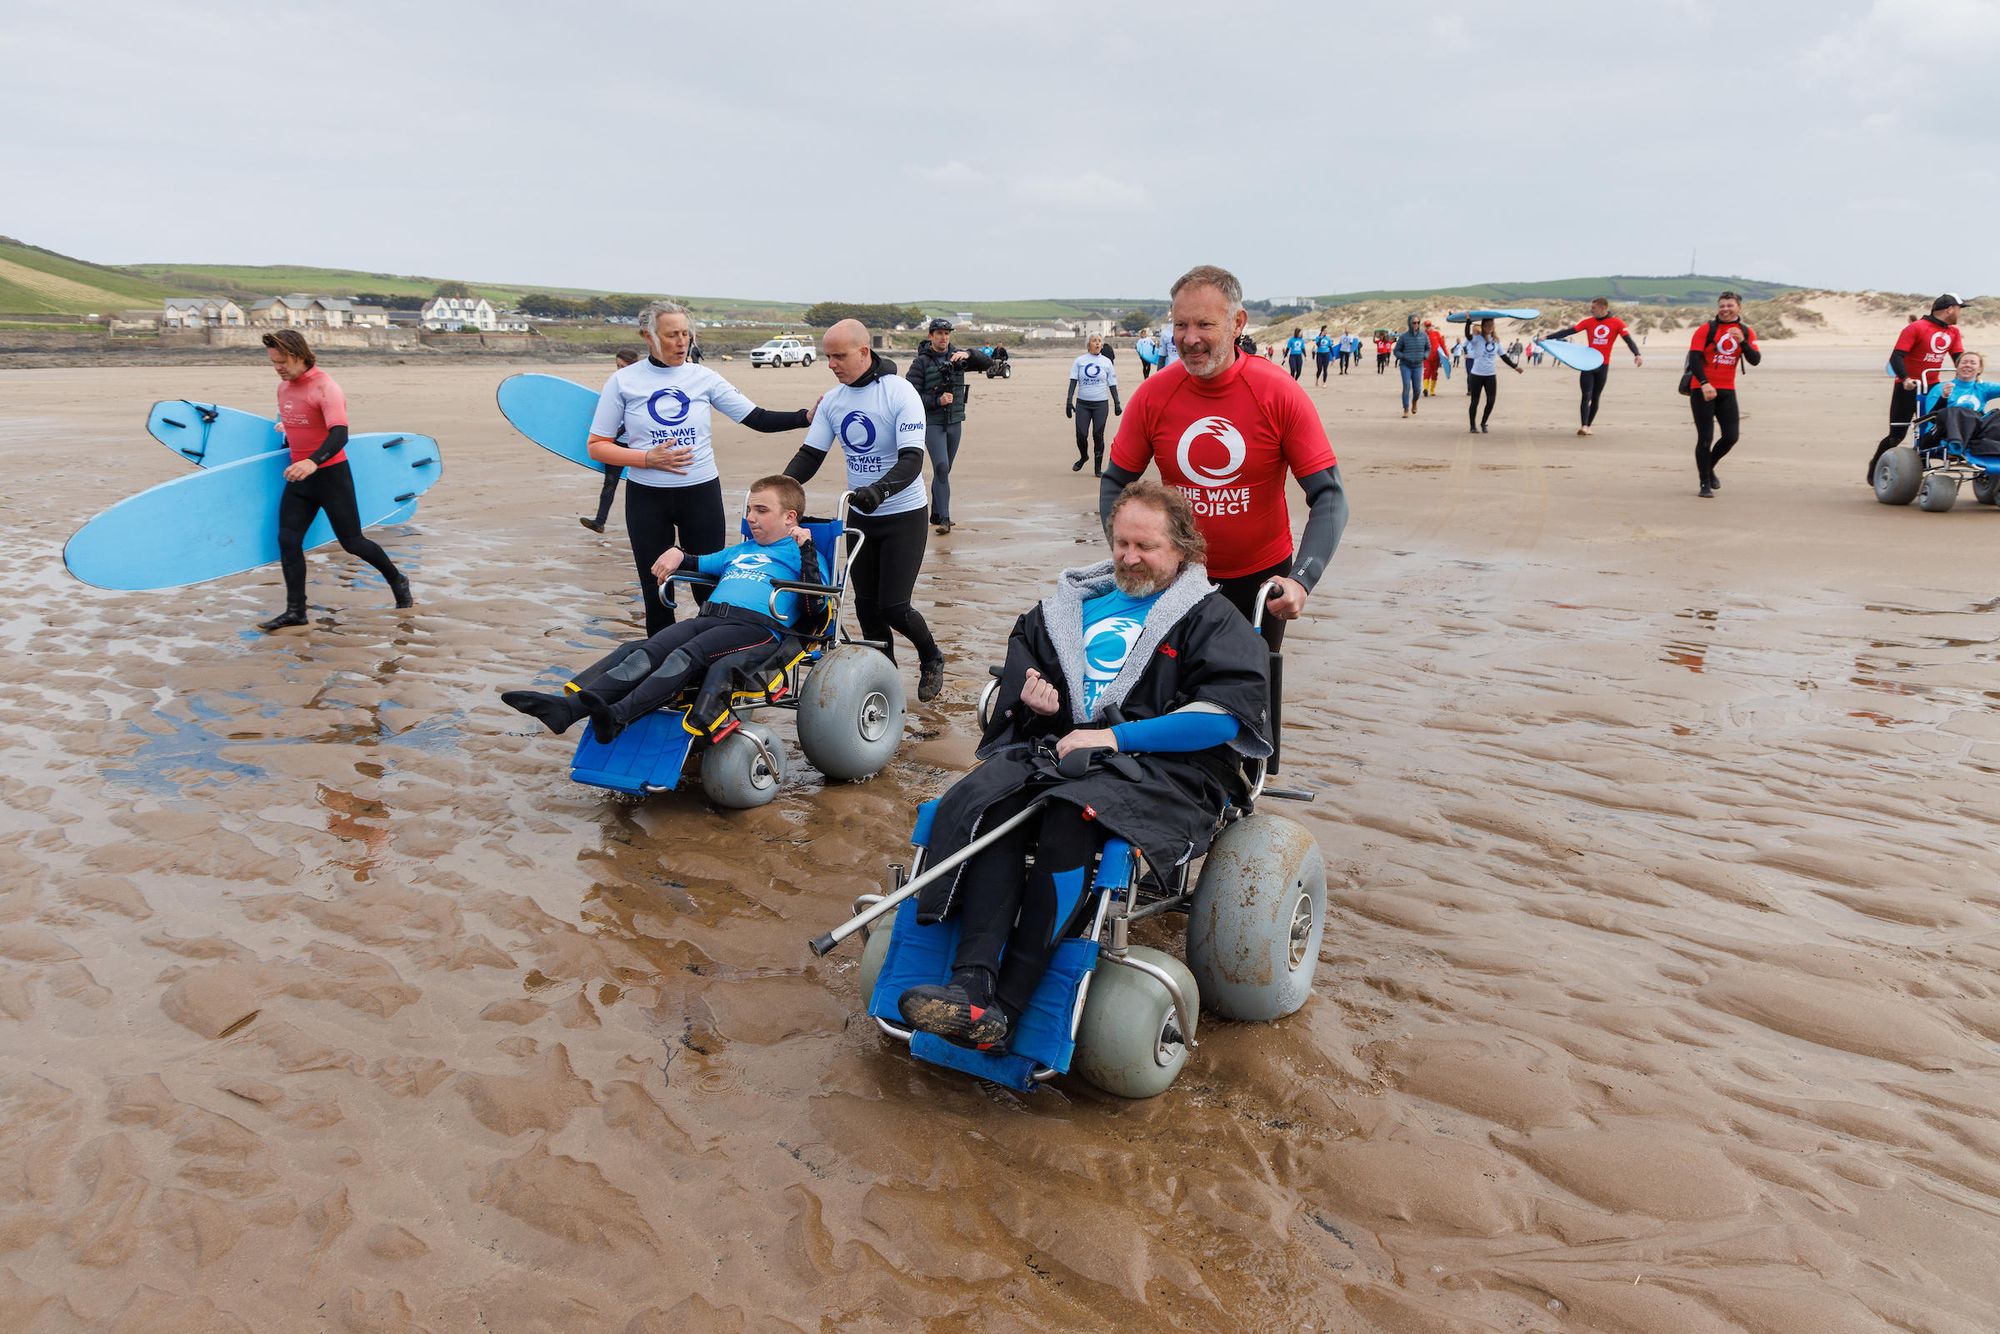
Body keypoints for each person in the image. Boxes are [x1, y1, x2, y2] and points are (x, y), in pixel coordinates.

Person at [895, 482, 1272, 1049]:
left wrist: (1114, 736)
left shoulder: (1212, 619)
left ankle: (1012, 1005)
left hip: (1162, 766)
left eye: (1145, 546)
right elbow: (1021, 666)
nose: (1128, 557)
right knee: (993, 804)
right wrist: (1031, 695)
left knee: (1070, 812)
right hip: (1059, 750)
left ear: (1184, 549)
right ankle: (970, 986)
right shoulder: (1065, 609)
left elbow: (1222, 717)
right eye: (1121, 543)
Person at [1099, 264, 1348, 653]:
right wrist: (1129, 550)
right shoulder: (1154, 395)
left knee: (1250, 699)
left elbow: (1329, 496)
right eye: (1180, 325)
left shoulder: (1277, 393)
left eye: (1204, 325)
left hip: (1260, 581)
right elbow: (1115, 481)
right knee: (1174, 697)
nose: (1190, 339)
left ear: (1237, 323)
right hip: (1177, 577)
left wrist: (1301, 579)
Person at [502, 476, 820, 745]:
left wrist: (806, 549)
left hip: (756, 629)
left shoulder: (800, 554)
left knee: (684, 656)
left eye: (761, 510)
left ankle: (617, 716)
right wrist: (675, 553)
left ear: (790, 517)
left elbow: (814, 607)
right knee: (649, 651)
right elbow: (694, 561)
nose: (750, 517)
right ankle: (567, 710)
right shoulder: (741, 550)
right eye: (749, 509)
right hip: (711, 618)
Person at [587, 301, 808, 636]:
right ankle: (661, 672)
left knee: (710, 588)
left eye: (685, 334)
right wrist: (646, 458)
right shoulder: (623, 381)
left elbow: (757, 418)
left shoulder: (704, 378)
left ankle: (710, 661)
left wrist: (805, 417)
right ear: (648, 336)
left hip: (700, 495)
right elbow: (597, 445)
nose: (681, 342)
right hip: (647, 498)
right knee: (657, 590)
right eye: (672, 335)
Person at [784, 319, 948, 701]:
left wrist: (880, 489)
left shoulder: (899, 393)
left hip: (902, 513)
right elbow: (809, 456)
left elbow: (911, 460)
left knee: (893, 605)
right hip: (860, 516)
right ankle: (884, 678)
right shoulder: (834, 401)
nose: (831, 364)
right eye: (827, 356)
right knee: (866, 608)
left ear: (863, 352)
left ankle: (931, 656)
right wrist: (781, 491)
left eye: (838, 356)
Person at [256, 330, 411, 631]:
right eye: (273, 362)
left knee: (352, 542)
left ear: (299, 355)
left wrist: (312, 461)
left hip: (330, 474)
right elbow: (302, 420)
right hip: (300, 476)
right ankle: (295, 611)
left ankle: (397, 579)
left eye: (282, 361)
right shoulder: (284, 388)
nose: (278, 367)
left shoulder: (326, 387)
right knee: (288, 541)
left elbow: (339, 434)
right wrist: (287, 428)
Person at [906, 318, 994, 536]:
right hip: (933, 423)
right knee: (942, 467)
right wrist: (937, 401)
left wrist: (970, 354)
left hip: (955, 422)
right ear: (930, 336)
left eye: (946, 333)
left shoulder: (958, 357)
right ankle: (944, 519)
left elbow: (988, 363)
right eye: (939, 333)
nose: (943, 337)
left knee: (944, 470)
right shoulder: (921, 363)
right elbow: (910, 396)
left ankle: (936, 513)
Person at [1870, 294, 1967, 483]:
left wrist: (1969, 374)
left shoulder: (1953, 332)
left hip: (1932, 387)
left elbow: (1958, 358)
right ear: (1950, 309)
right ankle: (1876, 466)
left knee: (1930, 428)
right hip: (1908, 387)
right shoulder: (1916, 328)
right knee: (1897, 435)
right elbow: (1896, 357)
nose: (1959, 313)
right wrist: (1905, 378)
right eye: (1959, 309)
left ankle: (1921, 462)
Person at [1684, 291, 1761, 498]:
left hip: (1727, 389)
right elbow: (1694, 359)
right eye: (1722, 306)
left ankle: (1708, 468)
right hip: (1702, 389)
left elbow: (1755, 360)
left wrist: (1743, 342)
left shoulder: (1746, 331)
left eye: (1730, 306)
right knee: (1705, 438)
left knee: (1731, 436)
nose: (1725, 309)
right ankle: (1704, 483)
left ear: (1739, 308)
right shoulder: (1706, 329)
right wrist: (1704, 383)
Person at [1541, 297, 1644, 435]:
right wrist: (1547, 337)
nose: (1591, 310)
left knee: (1596, 397)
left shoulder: (1617, 322)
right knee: (1586, 395)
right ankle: (1584, 426)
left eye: (1594, 308)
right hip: (1588, 364)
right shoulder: (1588, 322)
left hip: (1603, 365)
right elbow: (1569, 331)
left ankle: (1588, 426)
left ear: (1603, 308)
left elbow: (1628, 340)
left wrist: (1637, 354)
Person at [580, 348, 642, 533]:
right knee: (610, 483)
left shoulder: (640, 386)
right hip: (616, 446)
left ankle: (647, 523)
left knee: (641, 486)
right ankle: (599, 521)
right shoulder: (617, 384)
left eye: (622, 366)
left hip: (636, 444)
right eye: (617, 366)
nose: (618, 369)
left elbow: (634, 416)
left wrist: (616, 432)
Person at [1917, 350, 2000, 450]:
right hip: (1940, 434)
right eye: (1964, 362)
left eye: (1973, 363)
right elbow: (1932, 418)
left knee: (1996, 414)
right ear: (1957, 367)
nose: (1968, 365)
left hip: (1973, 433)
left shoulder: (1982, 388)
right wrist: (1943, 397)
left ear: (1979, 369)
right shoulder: (1941, 388)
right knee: (1956, 411)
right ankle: (1956, 443)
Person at [1065, 333, 1123, 474]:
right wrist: (1068, 401)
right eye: (1094, 341)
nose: (1097, 343)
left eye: (1099, 341)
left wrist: (1117, 402)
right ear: (1088, 344)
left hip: (1100, 404)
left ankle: (1097, 468)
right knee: (1081, 434)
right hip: (1083, 404)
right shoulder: (1080, 361)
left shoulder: (1106, 362)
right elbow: (1073, 381)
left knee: (1098, 435)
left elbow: (1112, 383)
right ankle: (1084, 456)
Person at [1463, 317, 1522, 434]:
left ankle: (1483, 423)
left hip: (1490, 375)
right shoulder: (1477, 339)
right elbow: (1467, 335)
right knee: (1475, 401)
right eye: (1487, 325)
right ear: (1483, 326)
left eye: (1492, 325)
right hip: (1476, 374)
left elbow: (1504, 356)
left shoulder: (1496, 341)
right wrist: (1468, 322)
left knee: (1491, 401)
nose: (1490, 327)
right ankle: (1472, 426)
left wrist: (1515, 367)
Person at [1392, 315, 1428, 416]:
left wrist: (1424, 356)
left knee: (1417, 389)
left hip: (1418, 366)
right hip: (1405, 365)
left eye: (1417, 322)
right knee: (1406, 386)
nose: (1416, 324)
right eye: (1414, 323)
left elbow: (1428, 348)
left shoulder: (1423, 336)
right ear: (1410, 323)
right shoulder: (1403, 337)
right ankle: (1406, 408)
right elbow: (1396, 351)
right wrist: (1403, 356)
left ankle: (1414, 402)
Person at [1421, 320, 1447, 397]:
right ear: (1424, 327)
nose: (1428, 327)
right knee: (1427, 372)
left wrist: (1446, 354)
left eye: (1429, 326)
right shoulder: (1422, 335)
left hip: (1436, 357)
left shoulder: (1436, 334)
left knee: (1434, 373)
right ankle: (1425, 389)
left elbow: (1442, 345)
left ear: (1431, 326)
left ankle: (1432, 390)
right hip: (1426, 357)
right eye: (1426, 326)